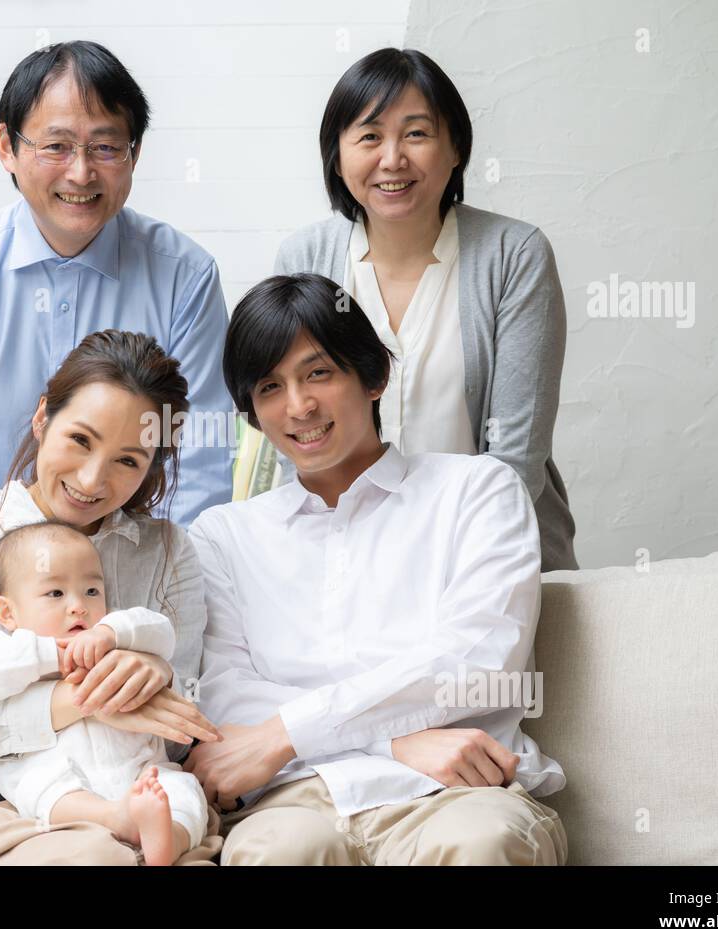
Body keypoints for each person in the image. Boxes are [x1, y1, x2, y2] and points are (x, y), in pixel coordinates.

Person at [185, 274, 568, 866]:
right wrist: (397, 739)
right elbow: (225, 699)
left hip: (452, 792)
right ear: (252, 413)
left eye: (318, 373)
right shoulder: (223, 535)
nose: (299, 405)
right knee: (277, 853)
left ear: (374, 376)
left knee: (482, 845)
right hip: (296, 799)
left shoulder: (477, 490)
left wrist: (286, 732)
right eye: (270, 386)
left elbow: (476, 662)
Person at [0, 40, 234, 553]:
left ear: (135, 154)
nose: (81, 173)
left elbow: (198, 461)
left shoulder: (185, 277)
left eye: (105, 147)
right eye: (56, 146)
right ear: (7, 148)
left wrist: (174, 588)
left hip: (124, 573)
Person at [0, 330, 222, 865]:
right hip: (6, 797)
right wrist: (87, 701)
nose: (92, 479)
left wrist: (157, 674)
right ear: (41, 418)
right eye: (80, 439)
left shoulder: (167, 552)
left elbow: (178, 732)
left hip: (135, 784)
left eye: (128, 460)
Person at [274, 47, 577, 571]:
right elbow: (293, 434)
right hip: (339, 556)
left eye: (416, 133)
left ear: (456, 147)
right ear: (338, 154)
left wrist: (440, 565)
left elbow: (516, 456)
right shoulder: (305, 259)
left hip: (484, 555)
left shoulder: (513, 255)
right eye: (369, 136)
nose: (392, 159)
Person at [0, 520, 209, 865]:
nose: (78, 606)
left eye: (91, 591)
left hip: (139, 774)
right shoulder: (3, 648)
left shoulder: (113, 628)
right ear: (7, 613)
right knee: (39, 785)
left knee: (183, 792)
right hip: (58, 776)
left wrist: (110, 634)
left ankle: (168, 841)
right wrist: (51, 653)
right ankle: (114, 818)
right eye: (55, 593)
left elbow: (161, 633)